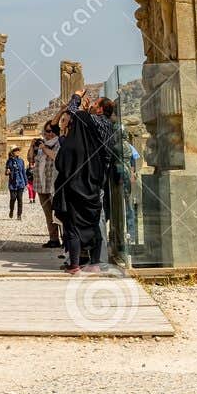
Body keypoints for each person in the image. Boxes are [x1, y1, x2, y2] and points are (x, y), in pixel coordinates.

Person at [52, 90, 119, 274]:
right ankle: (95, 263)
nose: (92, 105)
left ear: (100, 110)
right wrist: (86, 109)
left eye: (95, 104)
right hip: (98, 176)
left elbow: (72, 112)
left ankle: (74, 265)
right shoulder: (108, 124)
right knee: (94, 220)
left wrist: (77, 97)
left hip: (82, 176)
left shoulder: (90, 120)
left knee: (73, 221)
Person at [34, 120, 62, 248]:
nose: (47, 134)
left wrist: (44, 148)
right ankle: (53, 238)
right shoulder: (42, 146)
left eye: (50, 131)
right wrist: (31, 148)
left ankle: (66, 240)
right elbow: (32, 159)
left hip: (54, 184)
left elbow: (56, 157)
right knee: (48, 214)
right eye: (45, 131)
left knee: (59, 213)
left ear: (55, 132)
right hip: (42, 184)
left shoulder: (59, 143)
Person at [5, 148, 28, 220]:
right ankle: (11, 211)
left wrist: (26, 182)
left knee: (20, 200)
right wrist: (7, 172)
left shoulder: (21, 161)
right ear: (12, 152)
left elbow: (23, 172)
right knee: (13, 198)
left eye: (18, 150)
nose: (18, 152)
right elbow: (6, 172)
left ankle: (19, 215)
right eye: (16, 150)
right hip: (12, 183)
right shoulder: (9, 161)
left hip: (20, 182)